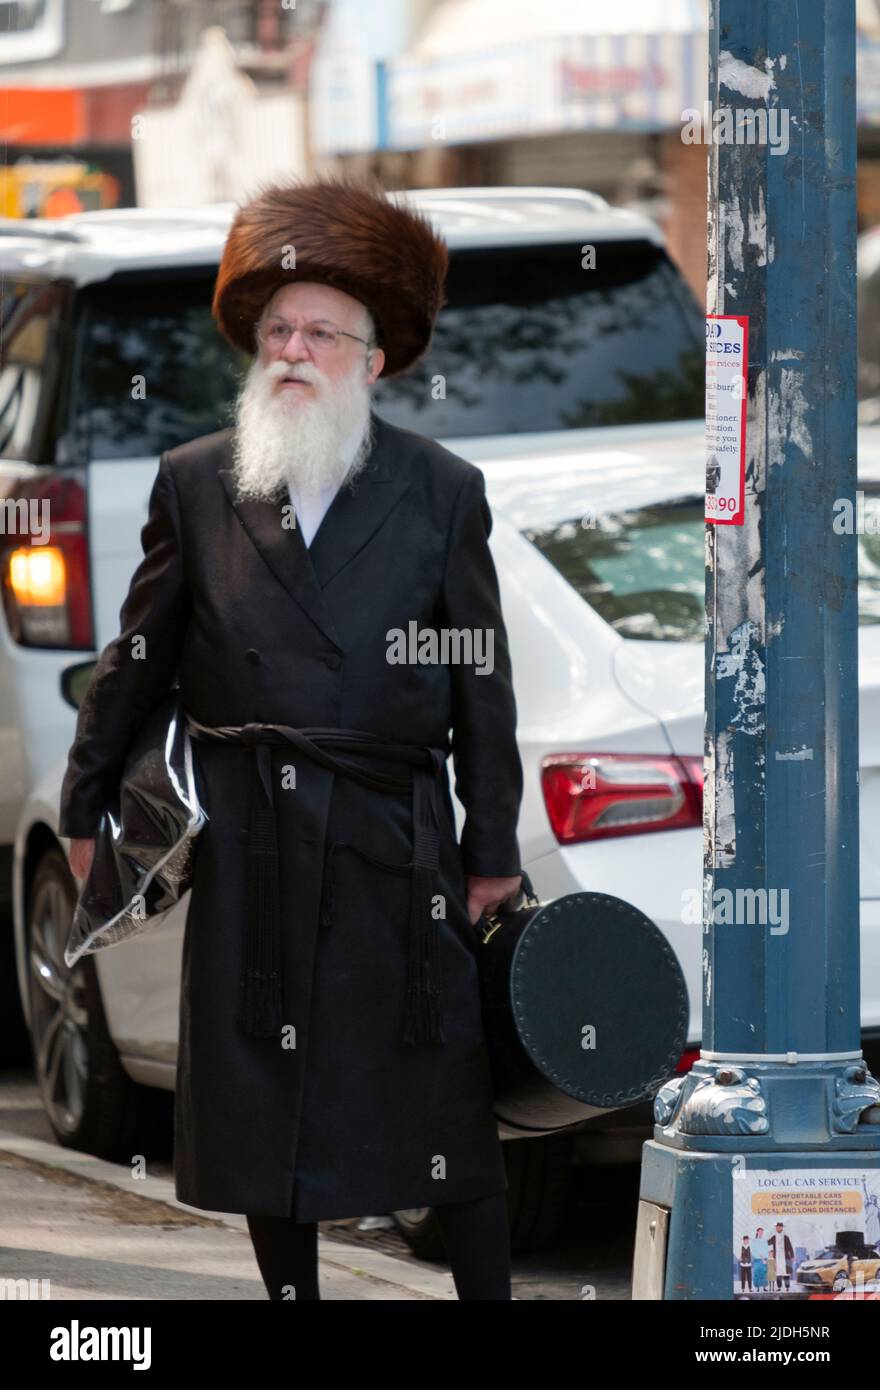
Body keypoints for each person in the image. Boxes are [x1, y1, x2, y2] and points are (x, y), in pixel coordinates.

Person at [59, 177, 525, 1301]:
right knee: (270, 1112)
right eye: (277, 329)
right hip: (253, 844)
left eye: (322, 331)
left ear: (374, 360)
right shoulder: (196, 482)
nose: (294, 349)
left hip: (392, 847)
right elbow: (135, 658)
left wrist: (490, 849)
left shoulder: (441, 489)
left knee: (438, 1111)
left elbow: (481, 683)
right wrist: (84, 813)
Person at [768, 1223, 794, 1292]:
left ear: (782, 1228)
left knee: (786, 1273)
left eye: (779, 1227)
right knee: (778, 1273)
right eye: (777, 1227)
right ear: (776, 1228)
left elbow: (790, 1247)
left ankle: (787, 1287)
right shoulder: (774, 1237)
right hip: (777, 1258)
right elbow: (767, 1243)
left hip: (785, 1257)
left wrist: (792, 1256)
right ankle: (779, 1287)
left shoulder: (786, 1237)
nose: (778, 1228)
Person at [751, 1226, 768, 1292]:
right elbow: (753, 1250)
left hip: (764, 1259)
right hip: (757, 1259)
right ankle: (757, 1287)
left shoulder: (764, 1240)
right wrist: (759, 1256)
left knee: (764, 1273)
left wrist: (765, 1259)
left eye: (762, 1232)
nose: (761, 1233)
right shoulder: (754, 1241)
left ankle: (764, 1287)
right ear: (757, 1232)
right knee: (757, 1273)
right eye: (760, 1232)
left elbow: (766, 1249)